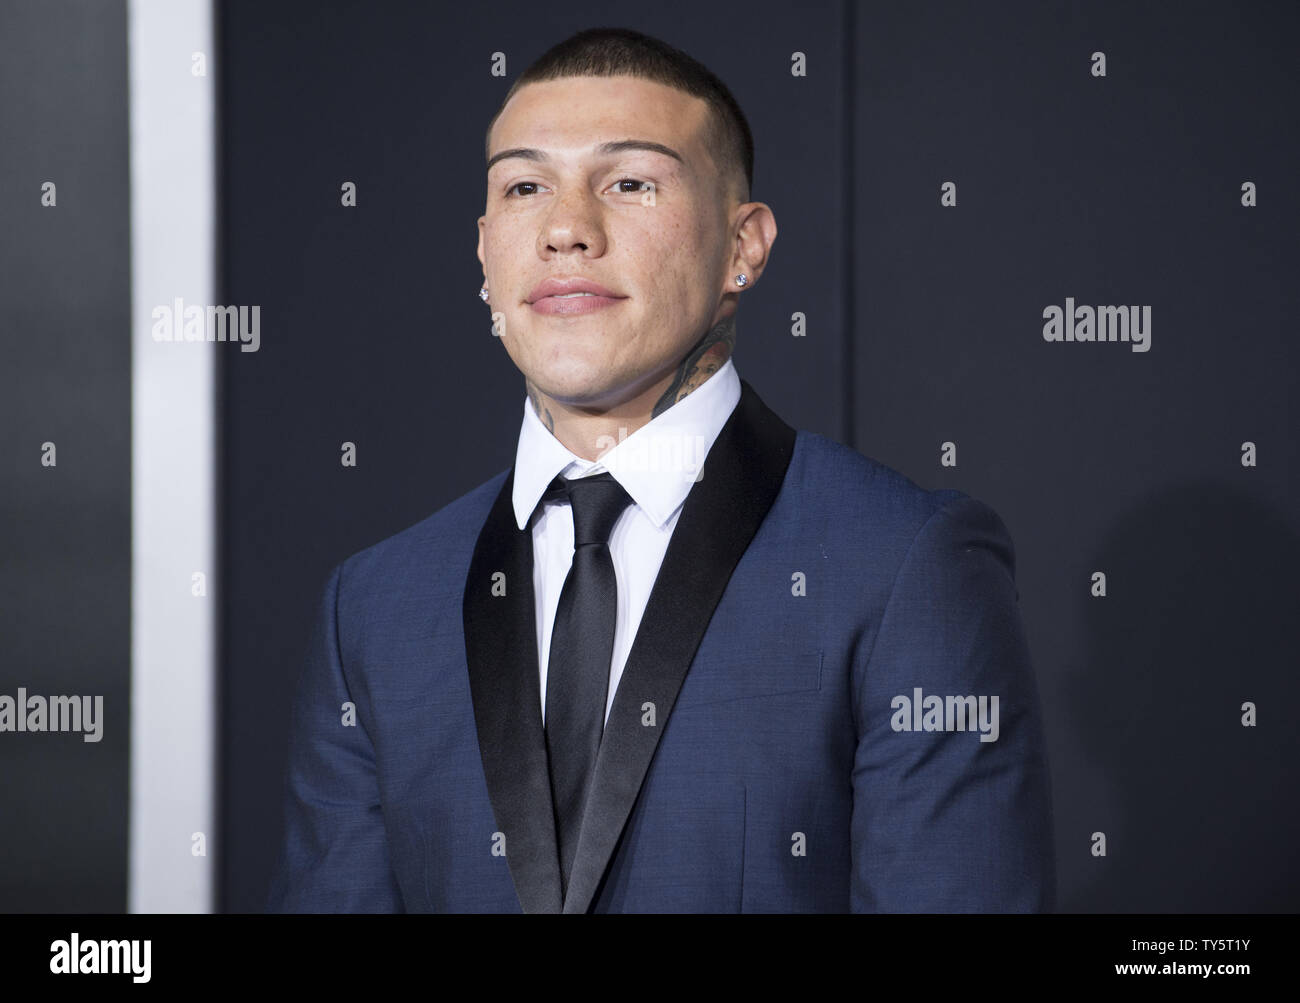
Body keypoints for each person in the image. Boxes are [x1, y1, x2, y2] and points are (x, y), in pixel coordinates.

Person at [266, 26, 1055, 913]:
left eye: (630, 182)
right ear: (486, 252)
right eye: (526, 187)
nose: (566, 228)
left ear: (743, 247)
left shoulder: (904, 567)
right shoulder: (373, 607)